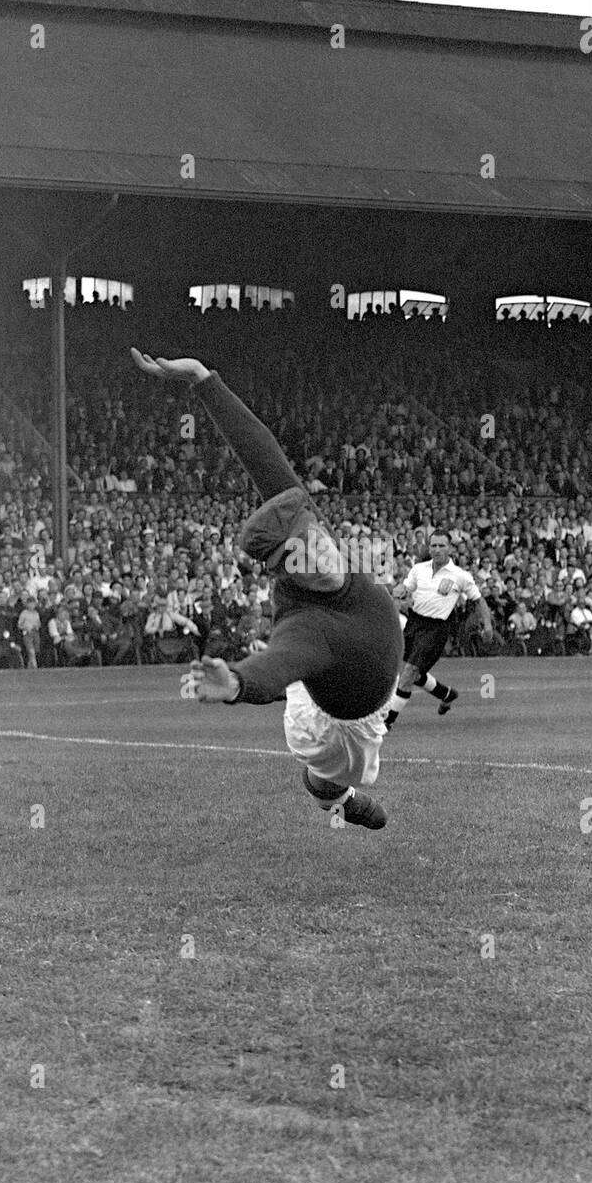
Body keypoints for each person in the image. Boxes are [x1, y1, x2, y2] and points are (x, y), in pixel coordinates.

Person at [130, 347, 403, 830]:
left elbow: (260, 451)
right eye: (303, 559)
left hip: (361, 671)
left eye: (318, 543)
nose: (322, 558)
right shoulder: (306, 625)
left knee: (305, 672)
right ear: (287, 572)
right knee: (330, 773)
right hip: (335, 723)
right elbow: (276, 664)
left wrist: (203, 380)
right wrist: (236, 682)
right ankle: (335, 800)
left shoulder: (314, 533)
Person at [384, 531, 492, 729]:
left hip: (436, 628)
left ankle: (387, 722)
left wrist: (488, 625)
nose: (437, 550)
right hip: (414, 623)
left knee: (409, 672)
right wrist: (400, 590)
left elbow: (478, 600)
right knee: (413, 674)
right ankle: (446, 694)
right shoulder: (418, 569)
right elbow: (407, 587)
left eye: (441, 546)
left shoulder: (460, 576)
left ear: (449, 548)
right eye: (433, 545)